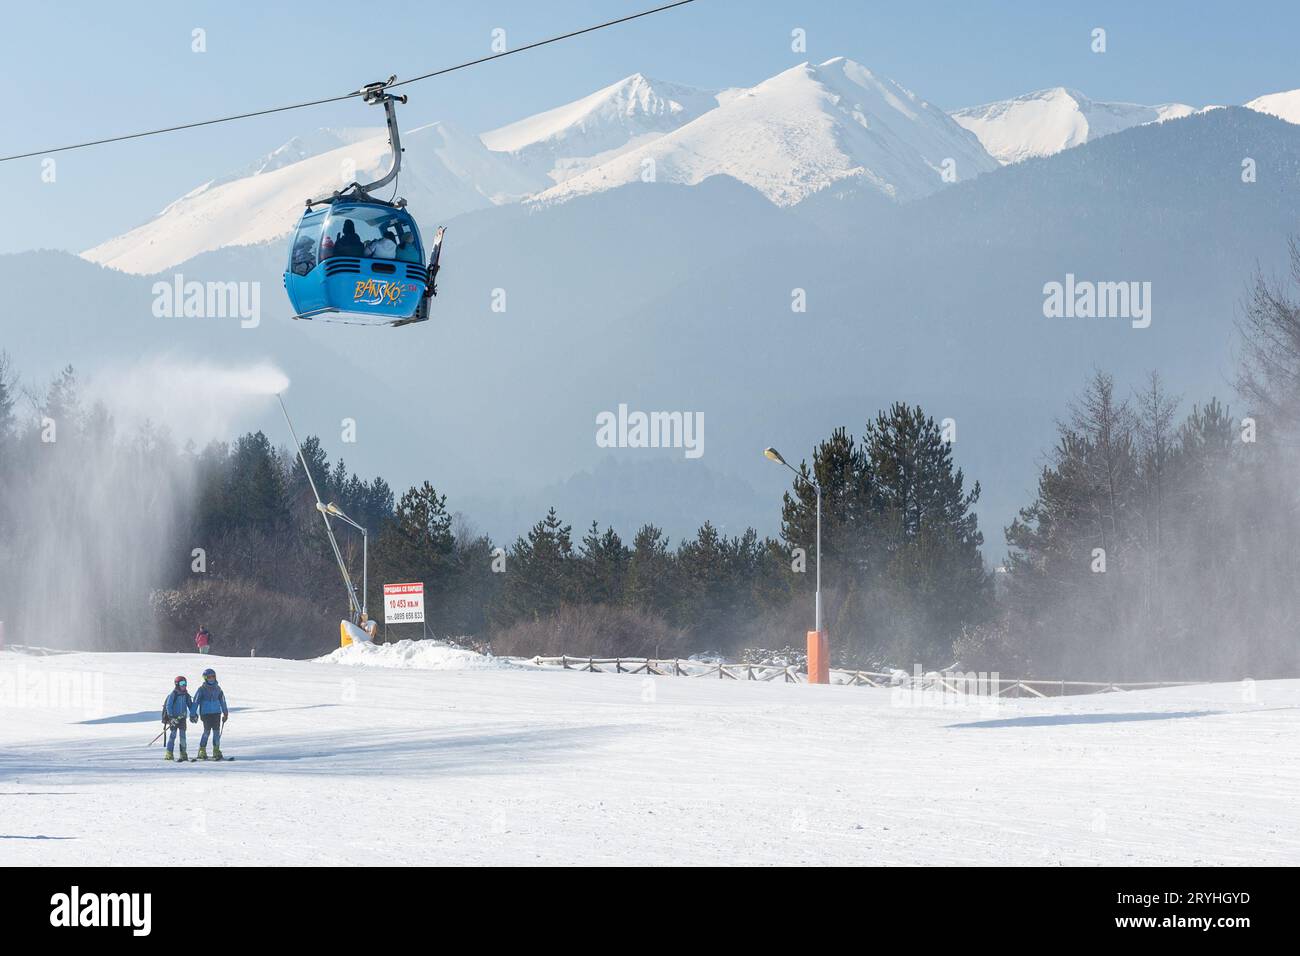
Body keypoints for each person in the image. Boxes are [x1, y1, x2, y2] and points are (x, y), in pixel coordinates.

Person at [192, 667, 229, 760]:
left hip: (216, 713)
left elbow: (223, 701)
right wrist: (193, 713)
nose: (211, 678)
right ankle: (202, 749)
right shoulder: (201, 689)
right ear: (205, 678)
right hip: (206, 713)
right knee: (207, 732)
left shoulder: (218, 689)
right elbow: (195, 701)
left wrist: (225, 712)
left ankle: (216, 750)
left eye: (213, 676)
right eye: (209, 677)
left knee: (216, 732)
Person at [160, 676, 194, 762]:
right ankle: (169, 753)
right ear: (177, 684)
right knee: (173, 735)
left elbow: (190, 705)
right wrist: (171, 717)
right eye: (182, 683)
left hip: (182, 718)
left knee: (183, 736)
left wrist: (194, 714)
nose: (184, 685)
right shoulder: (173, 694)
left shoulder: (186, 695)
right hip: (174, 719)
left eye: (185, 683)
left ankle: (183, 753)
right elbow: (168, 706)